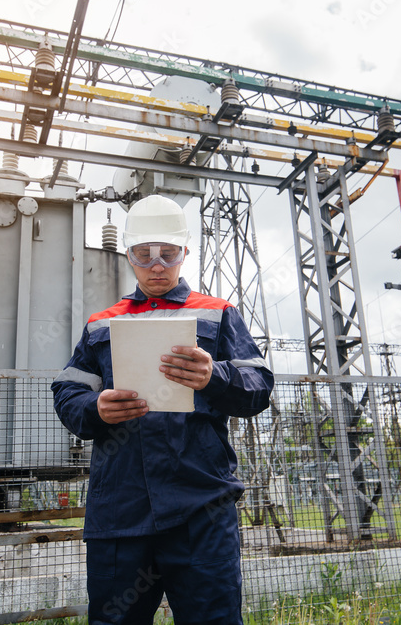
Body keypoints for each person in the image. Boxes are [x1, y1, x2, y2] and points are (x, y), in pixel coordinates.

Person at [52, 194, 274, 625]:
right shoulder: (101, 323)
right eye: (144, 254)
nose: (156, 266)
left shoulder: (218, 315)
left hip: (201, 510)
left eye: (167, 254)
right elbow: (67, 392)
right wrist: (95, 407)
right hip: (121, 513)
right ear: (129, 256)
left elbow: (259, 387)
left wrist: (216, 376)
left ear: (184, 253)